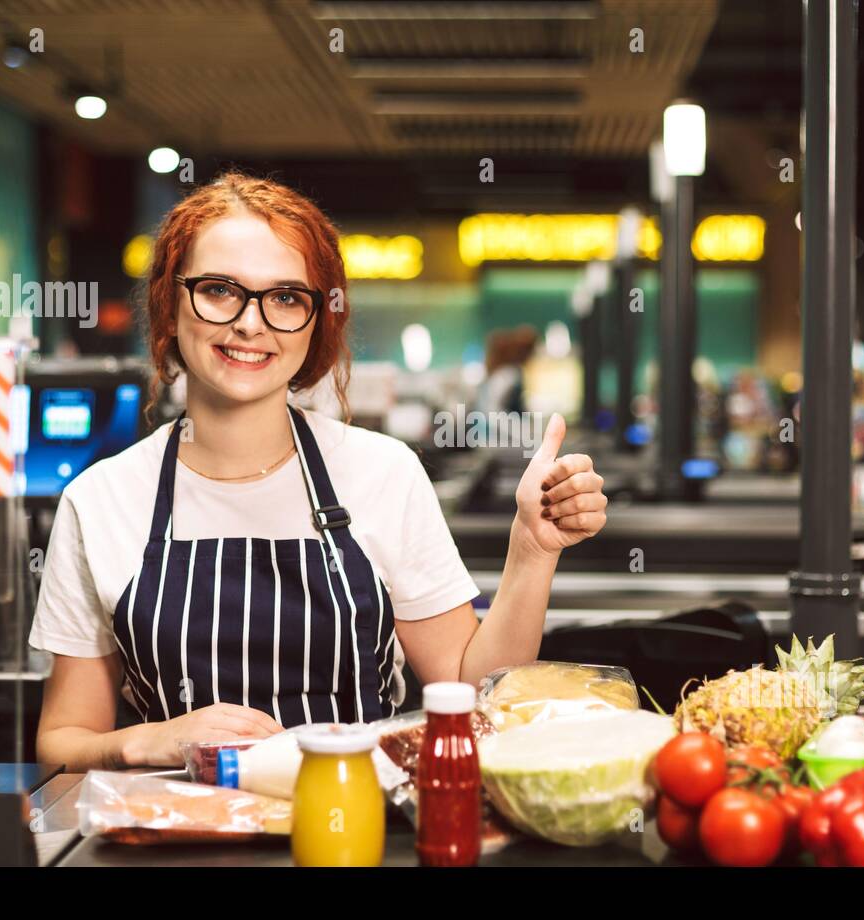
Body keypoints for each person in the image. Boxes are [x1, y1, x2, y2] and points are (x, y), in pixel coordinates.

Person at [30, 173, 608, 769]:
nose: (251, 323)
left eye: (285, 298)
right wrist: (143, 740)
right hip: (178, 841)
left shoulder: (382, 473)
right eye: (220, 290)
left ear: (316, 322)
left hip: (361, 835)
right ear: (170, 305)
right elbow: (63, 740)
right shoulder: (100, 500)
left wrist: (532, 550)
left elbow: (478, 702)